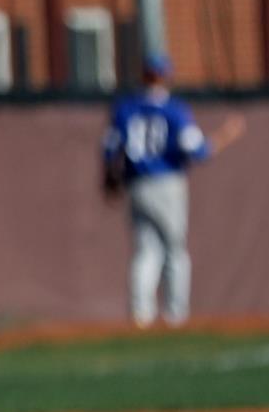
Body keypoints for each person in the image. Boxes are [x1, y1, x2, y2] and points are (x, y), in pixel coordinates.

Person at [102, 53, 244, 327]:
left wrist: (109, 182)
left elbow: (109, 149)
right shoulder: (174, 110)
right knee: (174, 248)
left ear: (143, 75)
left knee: (145, 250)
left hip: (137, 183)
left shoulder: (125, 108)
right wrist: (228, 134)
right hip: (167, 182)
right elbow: (197, 150)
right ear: (166, 76)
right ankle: (175, 315)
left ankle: (141, 316)